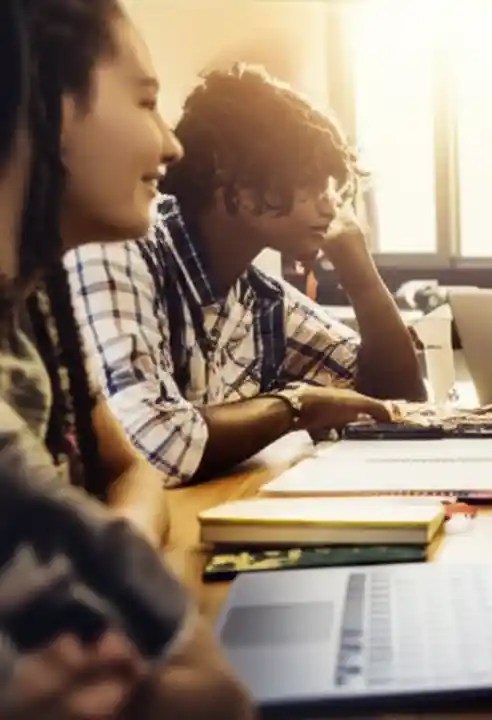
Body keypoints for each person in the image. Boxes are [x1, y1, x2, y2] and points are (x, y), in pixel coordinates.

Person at [0, 0, 251, 716]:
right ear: (41, 96)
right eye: (146, 101)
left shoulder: (36, 304)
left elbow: (128, 464)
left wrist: (107, 565)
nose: (171, 145)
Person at [67, 64, 427, 488]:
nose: (330, 206)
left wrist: (359, 273)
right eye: (309, 179)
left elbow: (397, 400)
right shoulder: (120, 253)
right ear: (229, 173)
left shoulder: (258, 299)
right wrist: (299, 406)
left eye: (329, 185)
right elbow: (156, 447)